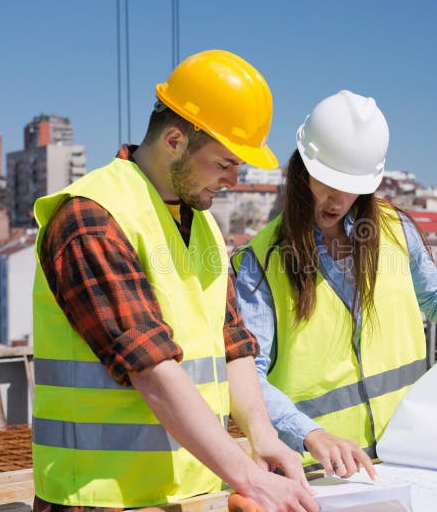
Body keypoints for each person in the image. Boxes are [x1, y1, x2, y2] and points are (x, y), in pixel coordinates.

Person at [31, 50, 318, 512]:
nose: (234, 180)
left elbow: (233, 342)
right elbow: (150, 368)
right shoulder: (90, 218)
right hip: (99, 498)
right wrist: (248, 476)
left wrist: (262, 436)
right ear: (174, 141)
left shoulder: (200, 221)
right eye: (224, 163)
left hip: (190, 493)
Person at [234, 90, 437, 481]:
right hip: (316, 475)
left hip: (403, 460)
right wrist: (312, 434)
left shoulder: (394, 230)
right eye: (327, 180)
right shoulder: (262, 261)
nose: (337, 199)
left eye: (351, 185)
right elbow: (247, 377)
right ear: (303, 167)